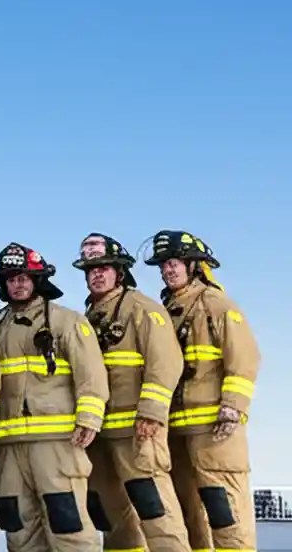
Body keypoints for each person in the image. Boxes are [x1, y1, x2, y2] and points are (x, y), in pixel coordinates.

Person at [0, 243, 107, 551]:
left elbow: (90, 372)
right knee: (18, 529)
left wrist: (89, 418)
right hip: (8, 448)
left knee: (69, 528)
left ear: (38, 279)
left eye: (25, 276)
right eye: (12, 277)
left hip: (57, 444)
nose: (18, 283)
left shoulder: (67, 321)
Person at [145, 230, 260, 552]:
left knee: (224, 508)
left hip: (214, 429)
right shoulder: (167, 309)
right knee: (187, 511)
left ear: (194, 265)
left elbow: (246, 356)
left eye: (175, 262)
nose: (168, 270)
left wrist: (233, 407)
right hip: (176, 429)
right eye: (164, 265)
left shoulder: (216, 303)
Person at [76, 232, 191, 551]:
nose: (96, 274)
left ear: (120, 271)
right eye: (91, 269)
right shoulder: (90, 316)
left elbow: (166, 362)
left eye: (104, 268)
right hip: (101, 435)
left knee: (155, 509)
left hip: (137, 432)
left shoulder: (143, 309)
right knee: (114, 517)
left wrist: (152, 413)